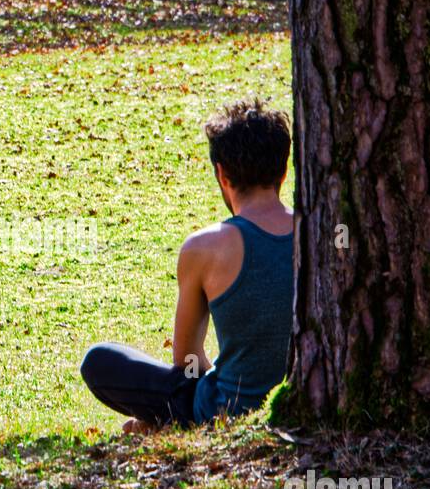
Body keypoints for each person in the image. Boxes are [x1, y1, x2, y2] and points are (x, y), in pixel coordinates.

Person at [80, 99, 294, 434]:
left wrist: (214, 381)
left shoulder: (204, 247)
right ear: (284, 169)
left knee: (99, 360)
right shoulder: (321, 234)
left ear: (221, 173)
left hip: (224, 411)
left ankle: (165, 422)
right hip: (299, 398)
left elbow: (188, 362)